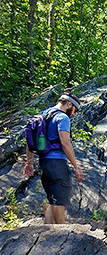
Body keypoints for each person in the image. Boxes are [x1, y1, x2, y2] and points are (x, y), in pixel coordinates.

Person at [23, 92, 84, 224]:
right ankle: (61, 235)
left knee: (52, 200)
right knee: (60, 201)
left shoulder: (43, 115)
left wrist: (30, 162)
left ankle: (47, 234)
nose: (73, 114)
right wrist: (76, 167)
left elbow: (30, 141)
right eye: (74, 110)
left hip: (44, 162)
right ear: (69, 104)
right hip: (57, 164)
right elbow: (65, 143)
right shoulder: (62, 118)